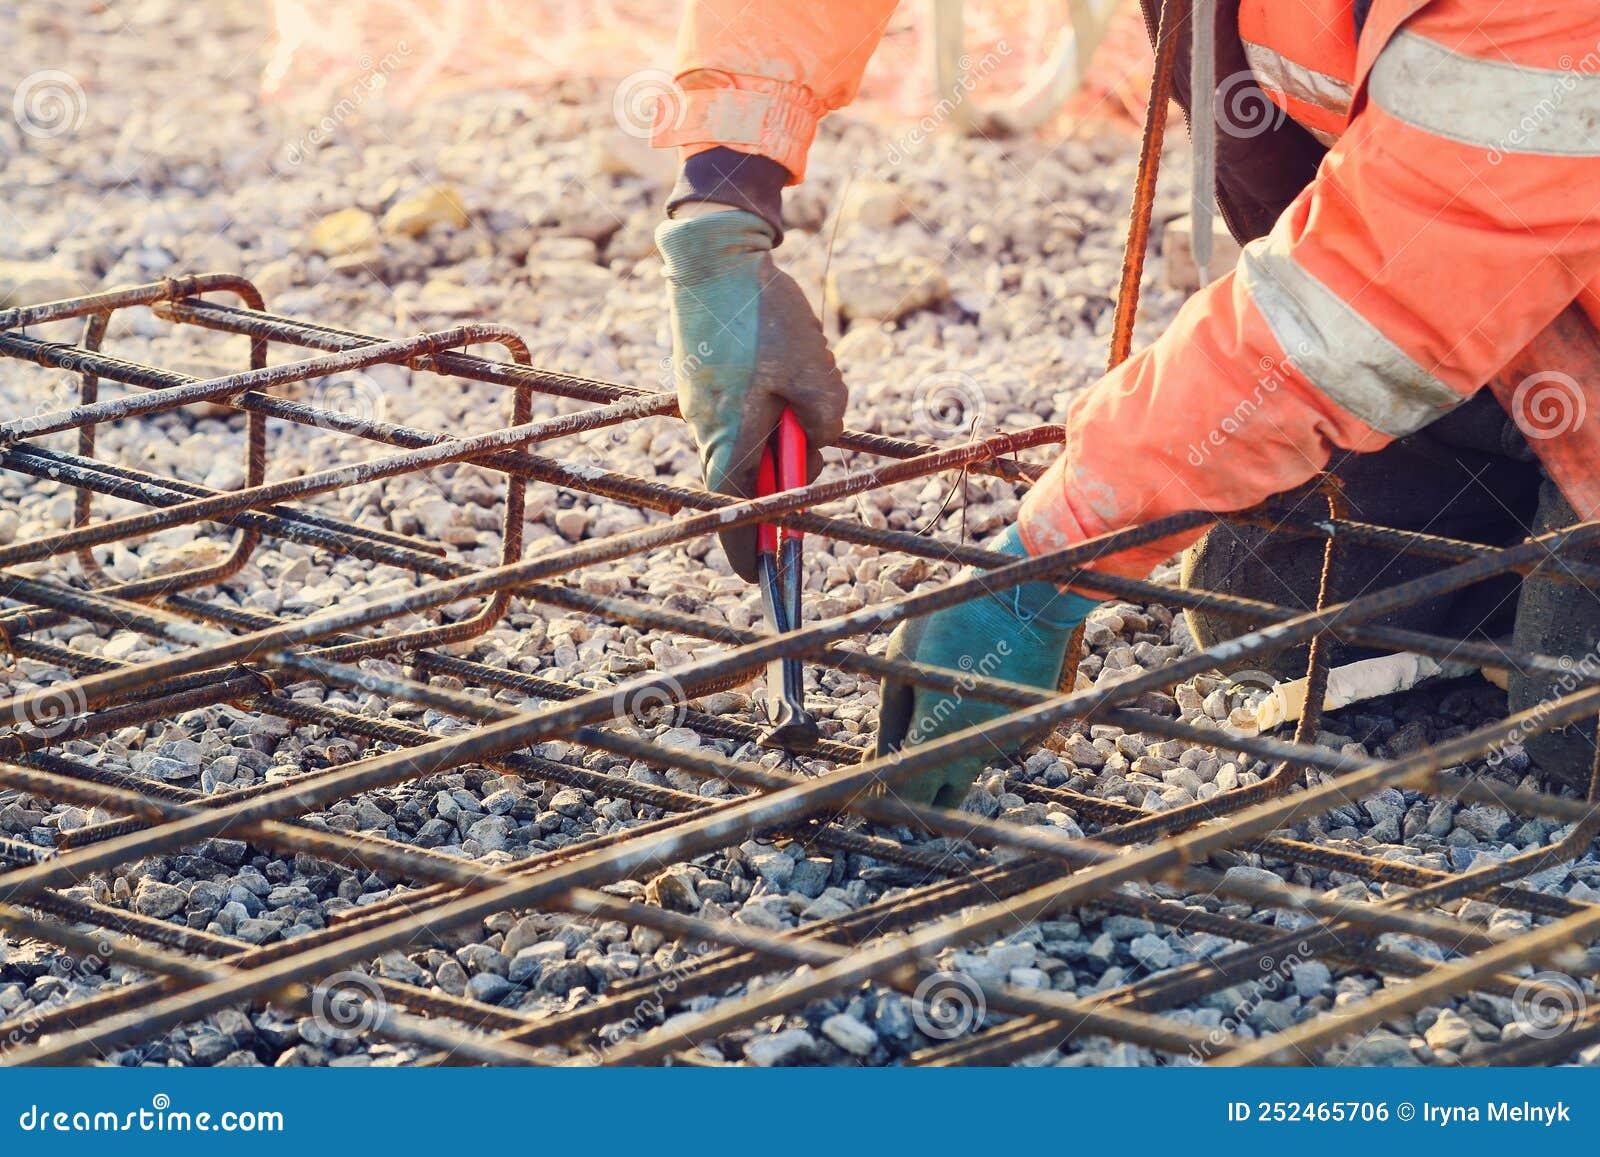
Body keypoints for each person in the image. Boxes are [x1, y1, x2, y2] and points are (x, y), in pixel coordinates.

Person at [650, 0, 1600, 807]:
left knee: (1575, 740)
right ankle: (1531, 535)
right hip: (1512, 310)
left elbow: (1363, 302)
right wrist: (725, 188)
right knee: (1266, 599)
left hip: (1452, 274)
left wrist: (1052, 559)